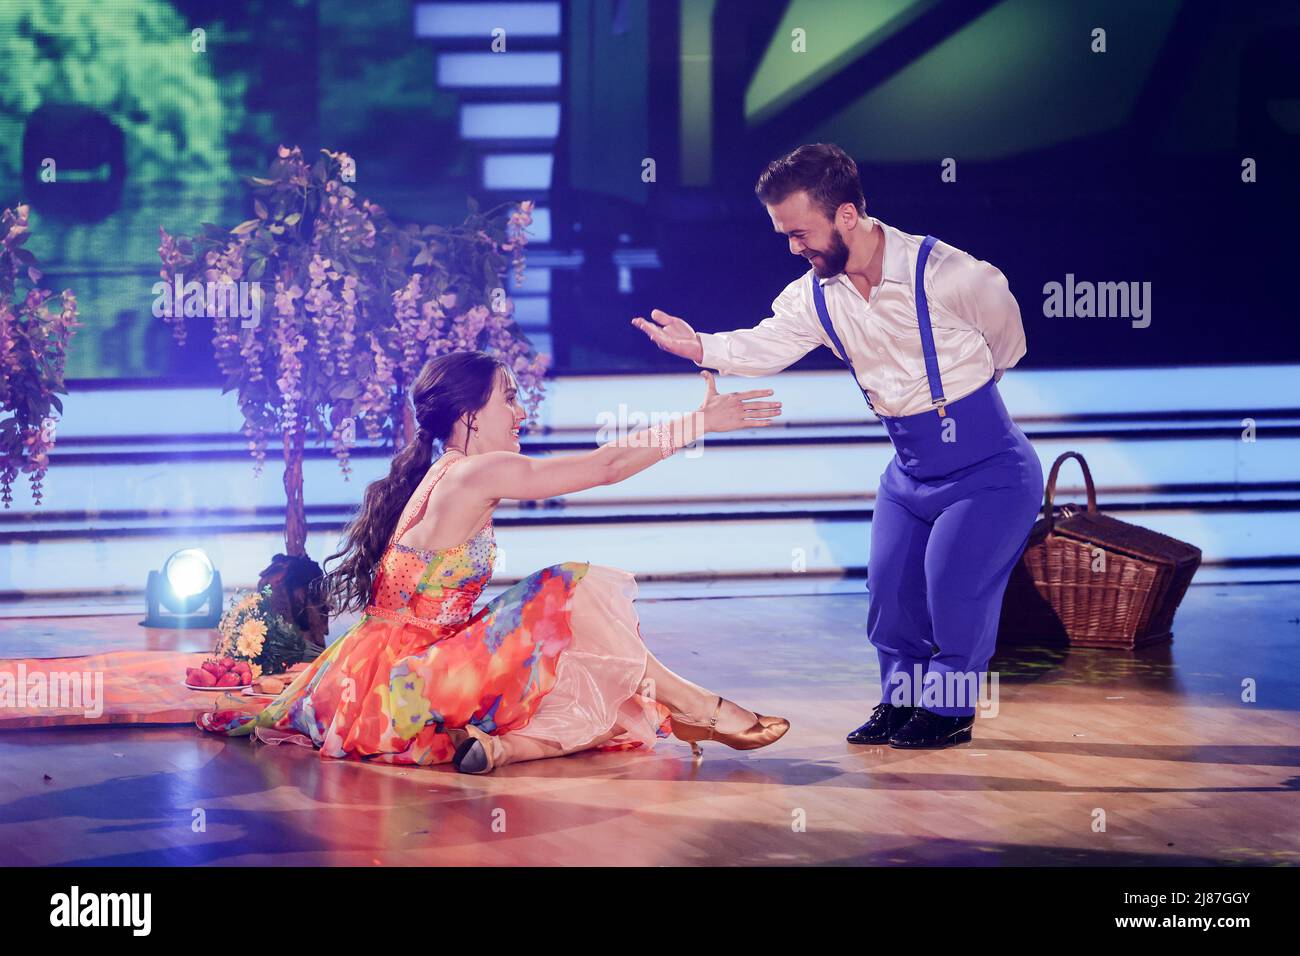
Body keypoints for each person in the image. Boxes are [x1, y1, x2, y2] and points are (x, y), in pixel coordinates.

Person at [197, 350, 789, 773]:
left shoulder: (441, 471)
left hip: (381, 673)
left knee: (575, 661)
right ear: (471, 414)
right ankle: (697, 707)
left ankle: (507, 748)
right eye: (510, 399)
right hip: (413, 681)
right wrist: (700, 422)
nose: (521, 413)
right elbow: (605, 468)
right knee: (569, 589)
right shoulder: (478, 471)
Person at [632, 142, 1043, 749]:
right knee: (891, 594)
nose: (795, 247)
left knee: (954, 588)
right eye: (786, 236)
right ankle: (901, 702)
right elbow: (766, 344)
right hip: (908, 472)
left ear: (846, 214)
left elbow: (1006, 344)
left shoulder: (952, 275)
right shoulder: (815, 295)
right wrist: (700, 348)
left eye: (801, 233)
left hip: (990, 471)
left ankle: (951, 711)